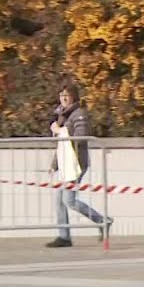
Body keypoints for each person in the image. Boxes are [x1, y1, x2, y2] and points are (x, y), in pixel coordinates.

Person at [46, 81, 112, 247]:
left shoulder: (78, 114)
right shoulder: (62, 115)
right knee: (59, 200)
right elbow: (62, 145)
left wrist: (59, 130)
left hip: (76, 163)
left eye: (66, 95)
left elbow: (80, 138)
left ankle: (101, 220)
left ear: (73, 96)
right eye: (61, 95)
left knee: (69, 200)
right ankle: (64, 236)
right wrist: (54, 165)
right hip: (66, 163)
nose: (63, 99)